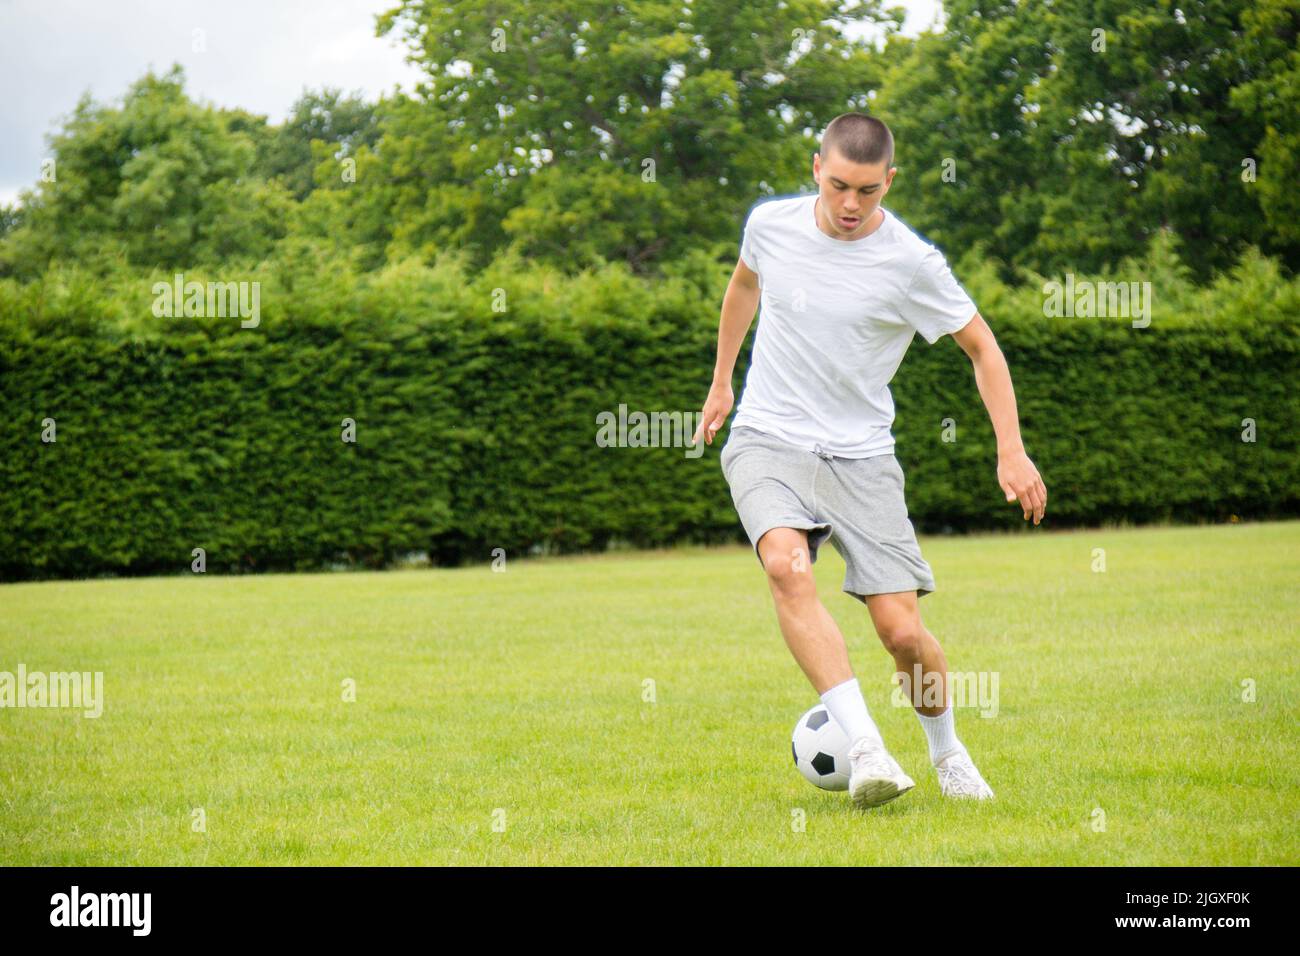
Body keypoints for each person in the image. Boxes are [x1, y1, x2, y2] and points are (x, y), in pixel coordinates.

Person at [692, 112, 1047, 808]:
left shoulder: (911, 263)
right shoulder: (770, 225)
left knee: (901, 631)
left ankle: (947, 754)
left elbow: (983, 347)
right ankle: (864, 746)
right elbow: (743, 285)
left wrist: (1011, 448)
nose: (851, 205)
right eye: (838, 186)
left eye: (868, 191)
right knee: (784, 568)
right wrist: (722, 379)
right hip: (769, 436)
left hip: (862, 457)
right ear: (815, 167)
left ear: (890, 181)